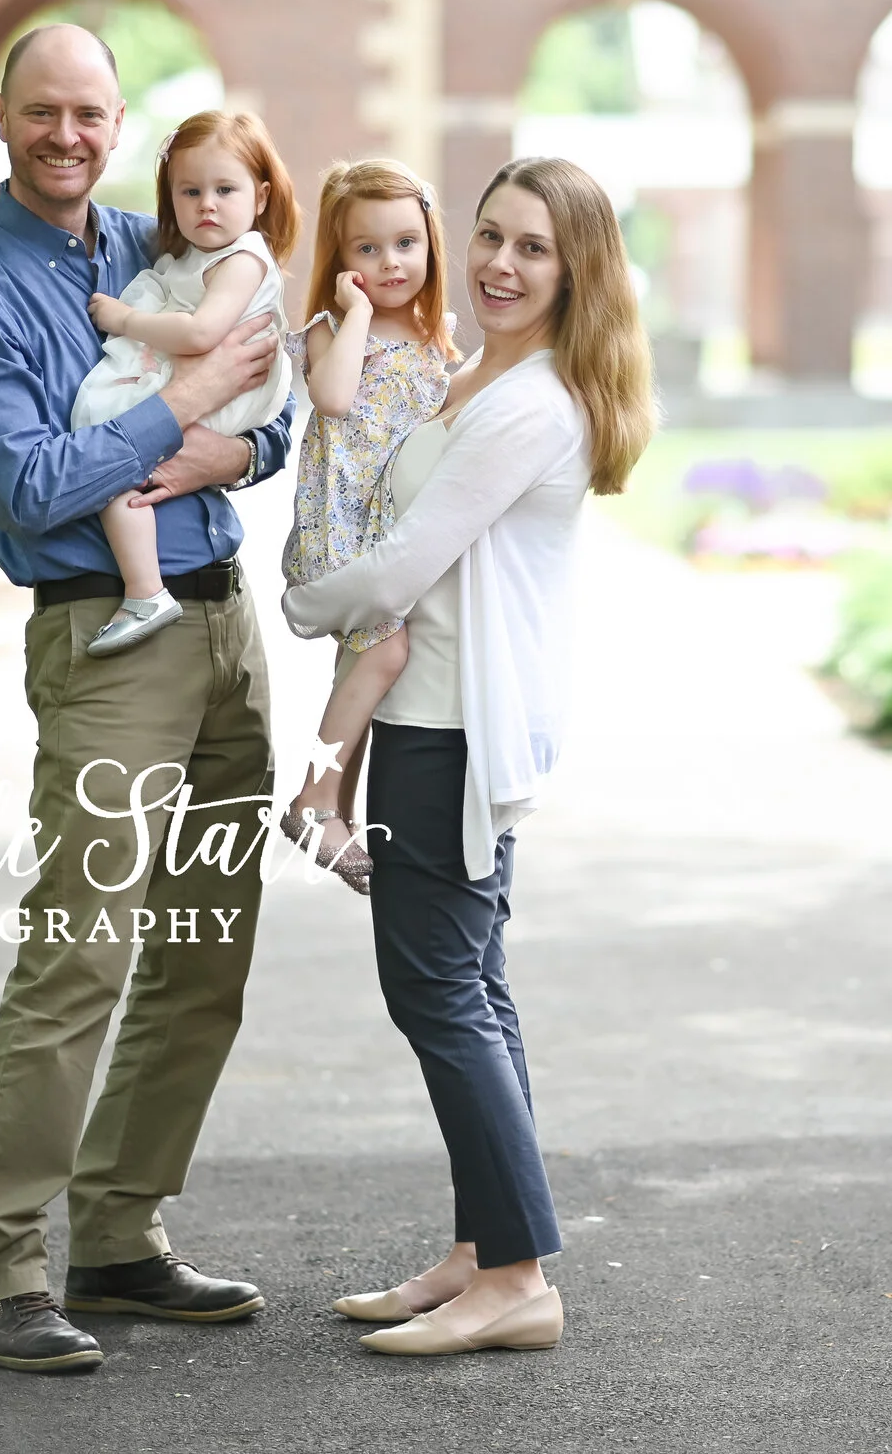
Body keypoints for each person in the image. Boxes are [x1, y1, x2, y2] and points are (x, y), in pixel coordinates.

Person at [0, 22, 289, 1375]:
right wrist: (181, 399)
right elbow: (30, 487)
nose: (67, 135)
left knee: (207, 950)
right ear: (1, 119)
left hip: (227, 625)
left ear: (117, 120)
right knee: (81, 952)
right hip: (107, 644)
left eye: (89, 113)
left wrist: (216, 444)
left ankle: (121, 1233)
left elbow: (281, 399)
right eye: (41, 112)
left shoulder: (163, 243)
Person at [279, 156, 658, 1356]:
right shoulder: (469, 379)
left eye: (532, 248)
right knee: (472, 986)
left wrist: (300, 608)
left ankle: (520, 1279)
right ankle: (480, 1247)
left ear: (574, 270)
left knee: (436, 988)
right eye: (489, 235)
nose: (499, 263)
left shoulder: (529, 404)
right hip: (422, 715)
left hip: (451, 728)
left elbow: (400, 568)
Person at [272, 159, 463, 893]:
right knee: (383, 657)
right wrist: (353, 315)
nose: (391, 263)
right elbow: (337, 398)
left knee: (358, 671)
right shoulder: (332, 330)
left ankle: (334, 802)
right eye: (368, 249)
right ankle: (314, 798)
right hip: (340, 528)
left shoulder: (428, 337)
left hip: (387, 535)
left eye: (406, 243)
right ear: (341, 260)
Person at [75, 110, 300, 656]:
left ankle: (145, 590)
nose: (207, 204)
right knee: (113, 452)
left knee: (112, 443)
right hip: (204, 377)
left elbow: (201, 333)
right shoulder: (197, 256)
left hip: (231, 390)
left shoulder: (244, 257)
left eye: (226, 189)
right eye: (190, 190)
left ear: (262, 196)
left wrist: (125, 321)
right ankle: (147, 587)